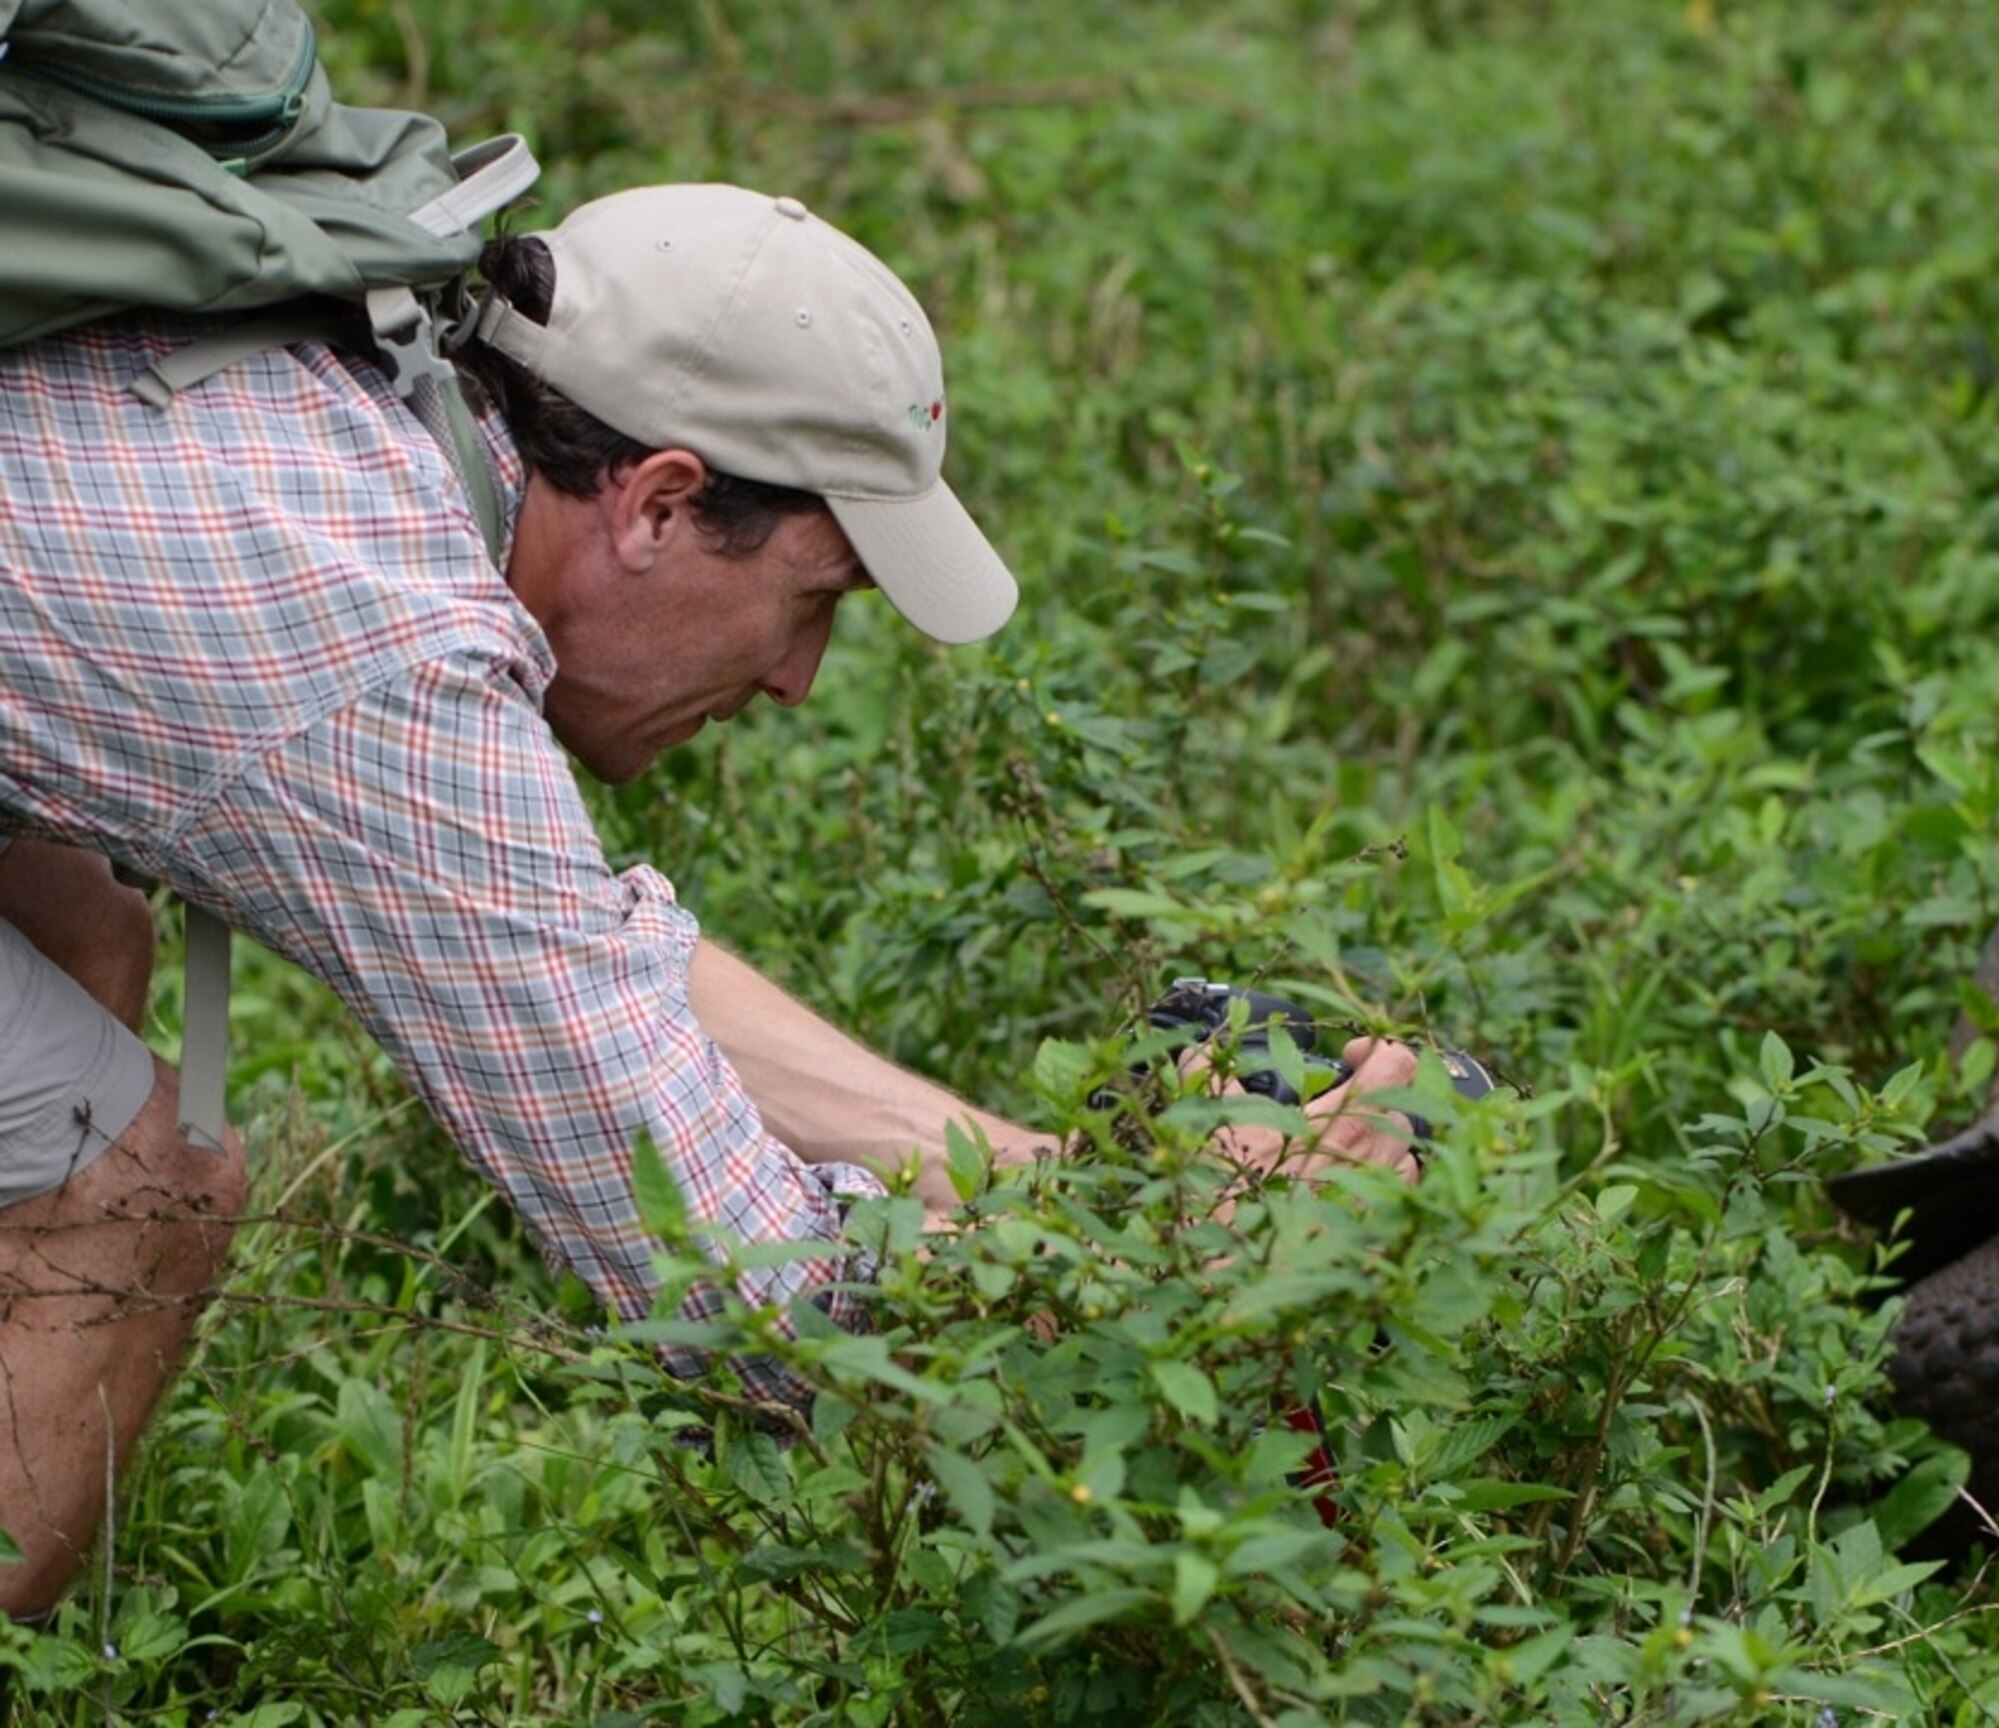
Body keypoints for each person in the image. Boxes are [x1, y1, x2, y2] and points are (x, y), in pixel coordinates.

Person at [0, 183, 1425, 1612]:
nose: (798, 683)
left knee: (80, 935)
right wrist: (1163, 1266)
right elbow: (751, 1298)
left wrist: (1080, 1185)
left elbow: (589, 959)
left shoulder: (372, 407)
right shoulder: (377, 657)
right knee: (129, 1184)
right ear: (661, 501)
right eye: (812, 601)